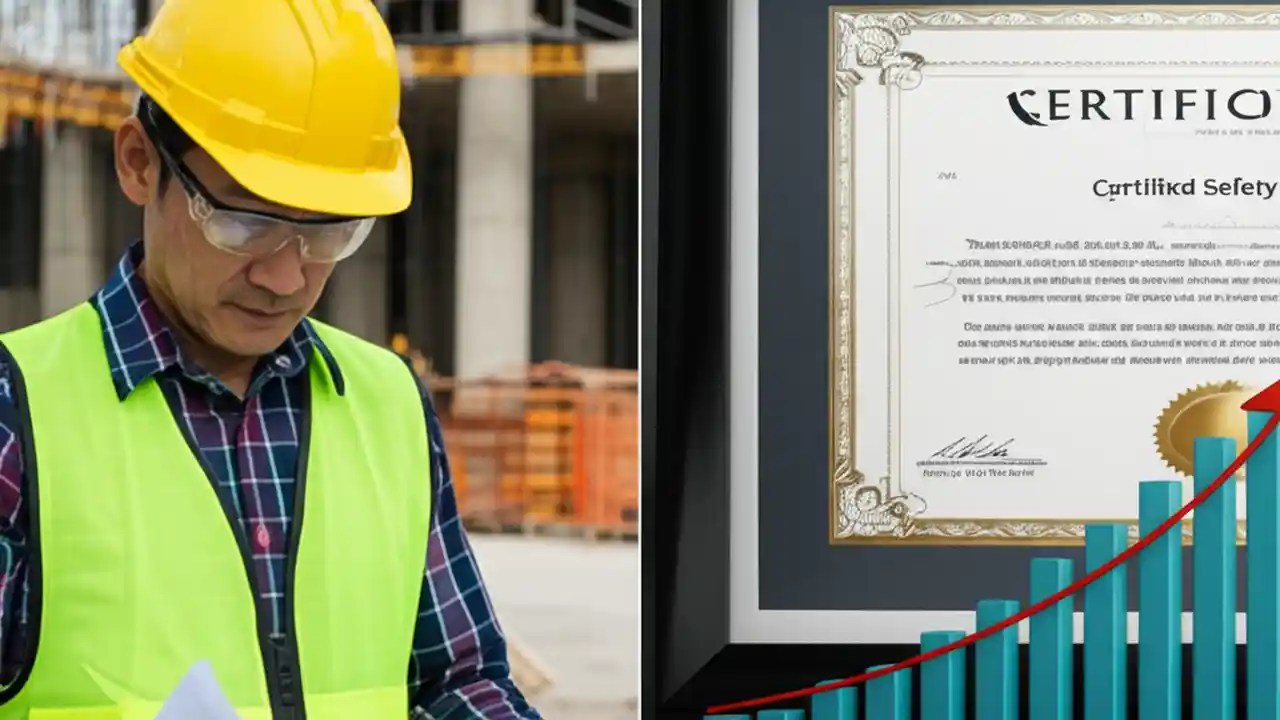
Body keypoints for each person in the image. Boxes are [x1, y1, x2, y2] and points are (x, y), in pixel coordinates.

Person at [0, 1, 542, 718]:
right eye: (243, 221)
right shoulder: (19, 412)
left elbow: (456, 681)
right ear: (138, 162)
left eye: (330, 233)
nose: (286, 277)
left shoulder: (387, 404)